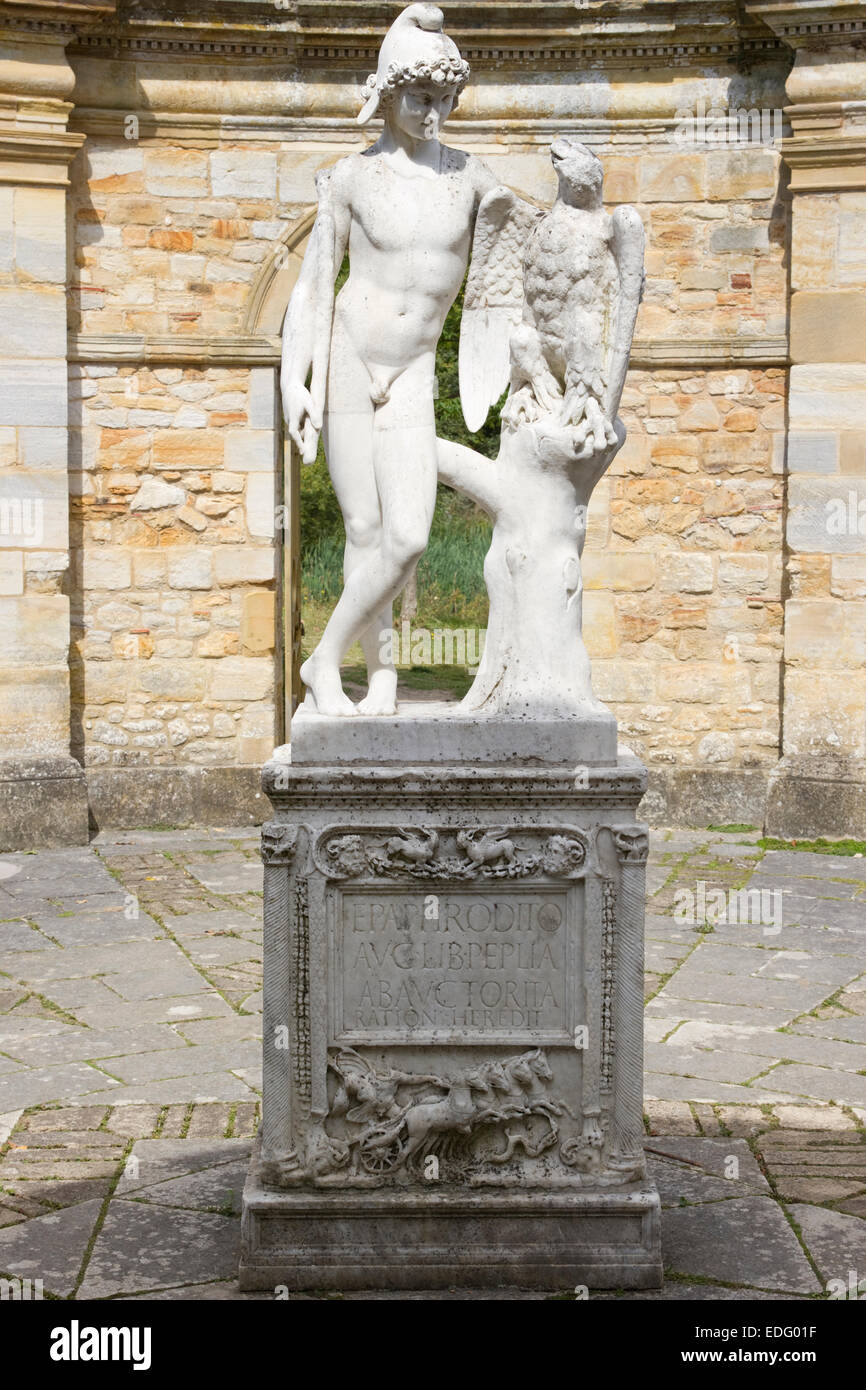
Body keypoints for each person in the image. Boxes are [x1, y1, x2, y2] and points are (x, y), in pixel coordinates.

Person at [281, 4, 496, 716]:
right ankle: (379, 680)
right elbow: (316, 284)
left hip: (411, 368)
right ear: (386, 90)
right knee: (365, 531)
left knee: (407, 536)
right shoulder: (351, 177)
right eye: (417, 96)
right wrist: (295, 378)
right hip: (347, 355)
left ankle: (320, 660)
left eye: (442, 98)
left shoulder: (473, 183)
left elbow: (530, 267)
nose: (431, 111)